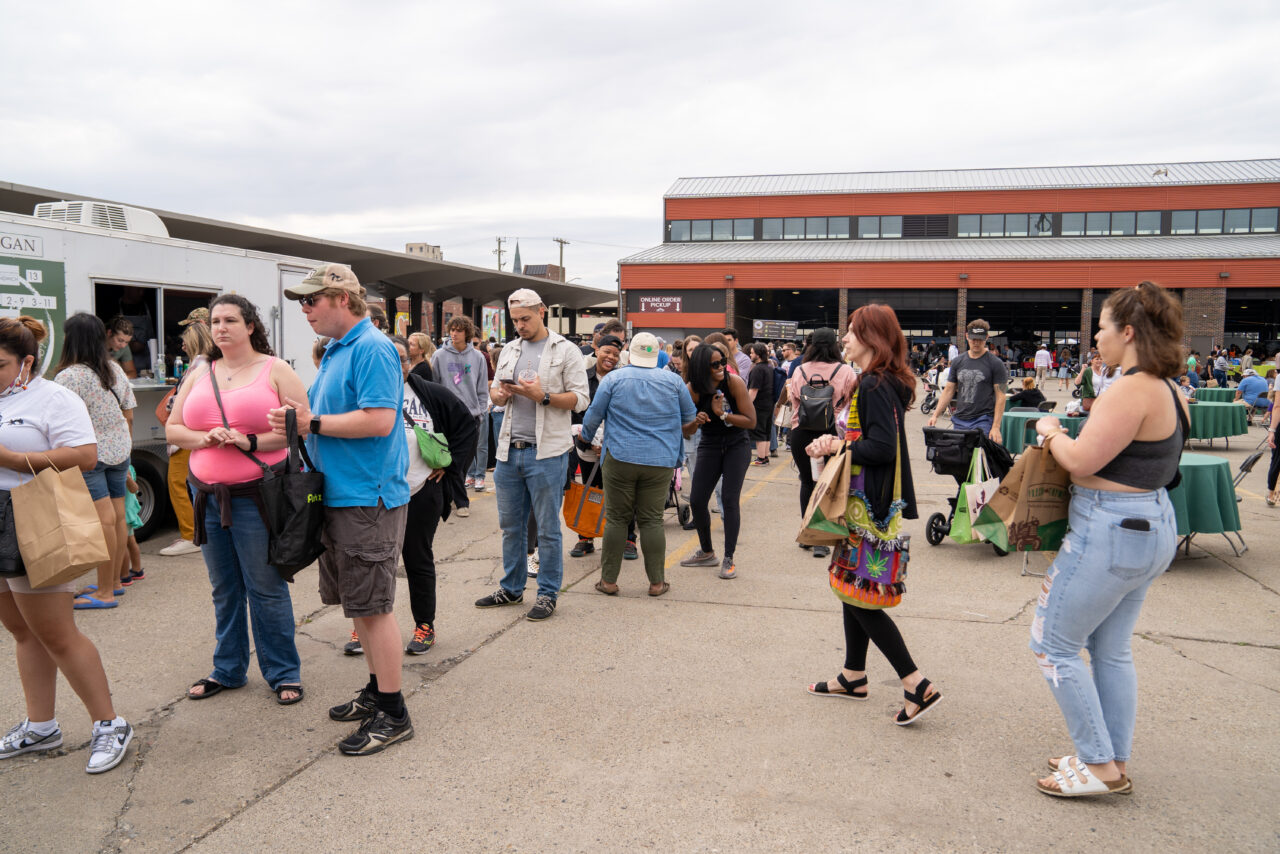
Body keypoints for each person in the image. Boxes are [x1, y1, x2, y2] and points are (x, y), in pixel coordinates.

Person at [1027, 281, 1187, 798]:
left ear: (1129, 332)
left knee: (1052, 644)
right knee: (1111, 649)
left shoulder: (1131, 387)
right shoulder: (1169, 387)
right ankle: (1110, 755)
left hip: (1110, 529)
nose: (1096, 336)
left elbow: (1080, 461)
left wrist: (1052, 431)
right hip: (1149, 526)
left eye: (1101, 326)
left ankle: (1098, 764)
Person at [269, 264, 413, 756]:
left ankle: (393, 713)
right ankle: (377, 692)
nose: (304, 309)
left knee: (373, 610)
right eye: (302, 302)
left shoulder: (371, 348)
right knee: (361, 607)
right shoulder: (337, 350)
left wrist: (313, 423)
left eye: (311, 300)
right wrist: (301, 422)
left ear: (341, 298)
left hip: (365, 497)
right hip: (343, 494)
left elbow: (378, 420)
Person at [0, 316, 134, 774]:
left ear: (26, 363)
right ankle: (41, 726)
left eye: (0, 365)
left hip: (34, 515)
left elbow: (85, 455)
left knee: (57, 633)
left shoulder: (55, 397)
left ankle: (109, 723)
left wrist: (14, 458)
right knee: (21, 631)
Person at [167, 295, 307, 706]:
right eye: (215, 321)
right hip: (206, 496)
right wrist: (203, 438)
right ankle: (227, 670)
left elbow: (302, 428)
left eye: (230, 320)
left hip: (258, 497)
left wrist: (249, 441)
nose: (221, 327)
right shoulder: (200, 372)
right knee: (224, 589)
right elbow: (174, 429)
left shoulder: (275, 370)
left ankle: (283, 672)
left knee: (266, 588)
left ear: (250, 326)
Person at [803, 305, 940, 727]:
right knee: (852, 587)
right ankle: (853, 674)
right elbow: (872, 438)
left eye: (851, 332)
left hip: (867, 505)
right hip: (870, 502)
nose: (844, 339)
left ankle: (915, 682)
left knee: (859, 594)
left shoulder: (874, 383)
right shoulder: (880, 382)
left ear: (872, 339)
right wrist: (839, 439)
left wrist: (835, 448)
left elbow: (882, 447)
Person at [480, 288, 589, 622]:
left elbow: (581, 399)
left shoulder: (566, 350)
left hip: (548, 453)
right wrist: (498, 395)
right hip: (508, 452)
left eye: (525, 319)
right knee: (512, 527)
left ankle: (546, 593)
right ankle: (512, 589)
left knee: (547, 529)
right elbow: (496, 394)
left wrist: (543, 396)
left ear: (542, 311)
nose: (520, 326)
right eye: (515, 320)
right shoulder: (510, 349)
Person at [580, 333, 695, 596]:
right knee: (652, 520)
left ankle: (608, 581)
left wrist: (585, 438)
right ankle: (656, 582)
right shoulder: (673, 381)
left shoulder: (613, 379)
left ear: (629, 355)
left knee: (617, 519)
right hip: (660, 460)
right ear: (656, 355)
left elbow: (593, 416)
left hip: (619, 457)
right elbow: (689, 419)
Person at [394, 336, 476, 654]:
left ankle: (424, 626)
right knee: (373, 564)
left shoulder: (427, 392)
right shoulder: (364, 393)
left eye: (402, 359)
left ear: (411, 361)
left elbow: (467, 425)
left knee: (417, 560)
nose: (398, 365)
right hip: (376, 494)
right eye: (390, 358)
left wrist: (451, 463)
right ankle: (367, 627)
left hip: (421, 490)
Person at [54, 313, 136, 611]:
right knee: (115, 517)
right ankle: (113, 582)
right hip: (120, 450)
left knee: (103, 520)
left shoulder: (68, 377)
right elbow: (129, 410)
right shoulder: (114, 369)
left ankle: (104, 592)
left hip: (91, 454)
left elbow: (58, 421)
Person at [680, 341, 755, 579]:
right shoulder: (692, 389)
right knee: (697, 499)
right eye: (716, 364)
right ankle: (707, 551)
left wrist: (722, 414)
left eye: (723, 360)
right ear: (703, 367)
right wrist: (697, 421)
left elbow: (751, 421)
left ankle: (729, 558)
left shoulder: (734, 383)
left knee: (730, 499)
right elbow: (685, 431)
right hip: (710, 445)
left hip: (736, 445)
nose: (722, 366)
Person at [786, 329, 857, 559]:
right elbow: (851, 401)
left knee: (807, 482)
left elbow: (793, 399)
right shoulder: (845, 370)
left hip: (801, 433)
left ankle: (807, 533)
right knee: (828, 485)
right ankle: (821, 539)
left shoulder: (799, 370)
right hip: (832, 435)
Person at [158, 319, 216, 557]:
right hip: (193, 433)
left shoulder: (198, 366)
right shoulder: (208, 363)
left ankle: (190, 535)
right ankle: (193, 531)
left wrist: (172, 402)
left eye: (184, 342)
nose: (181, 347)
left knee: (178, 483)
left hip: (184, 434)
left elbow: (184, 398)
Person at [568, 334, 625, 558]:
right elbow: (576, 414)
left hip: (616, 449)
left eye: (615, 354)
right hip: (587, 446)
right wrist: (591, 441)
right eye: (607, 352)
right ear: (596, 350)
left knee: (620, 495)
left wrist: (608, 443)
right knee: (590, 492)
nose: (610, 357)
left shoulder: (623, 379)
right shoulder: (583, 378)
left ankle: (628, 540)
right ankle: (585, 538)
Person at [430, 317, 489, 504]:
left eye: (458, 330)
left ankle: (455, 493)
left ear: (467, 333)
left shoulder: (478, 357)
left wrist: (480, 412)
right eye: (451, 330)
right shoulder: (439, 355)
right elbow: (434, 385)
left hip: (472, 416)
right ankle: (454, 499)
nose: (454, 334)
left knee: (465, 459)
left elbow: (482, 388)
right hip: (447, 416)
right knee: (448, 458)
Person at [927, 319, 1006, 444]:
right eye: (973, 338)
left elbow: (1001, 396)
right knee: (959, 458)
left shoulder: (996, 363)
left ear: (986, 337)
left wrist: (996, 427)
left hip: (984, 419)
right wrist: (935, 414)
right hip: (960, 419)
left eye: (980, 339)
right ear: (967, 336)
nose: (976, 342)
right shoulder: (958, 361)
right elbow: (948, 390)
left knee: (978, 458)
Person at [746, 343, 776, 466]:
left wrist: (746, 405)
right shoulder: (769, 366)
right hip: (769, 403)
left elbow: (753, 390)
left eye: (752, 353)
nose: (750, 355)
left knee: (759, 431)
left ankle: (761, 458)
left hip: (759, 405)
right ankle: (765, 457)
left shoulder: (757, 369)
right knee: (766, 430)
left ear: (757, 355)